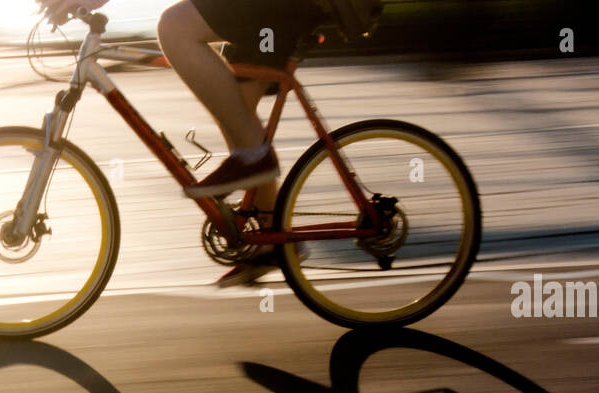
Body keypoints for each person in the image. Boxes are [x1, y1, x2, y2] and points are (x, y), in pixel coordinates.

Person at [41, 1, 378, 284]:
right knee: (236, 108)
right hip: (274, 16)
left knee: (175, 27)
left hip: (281, 9)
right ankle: (274, 239)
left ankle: (253, 156)